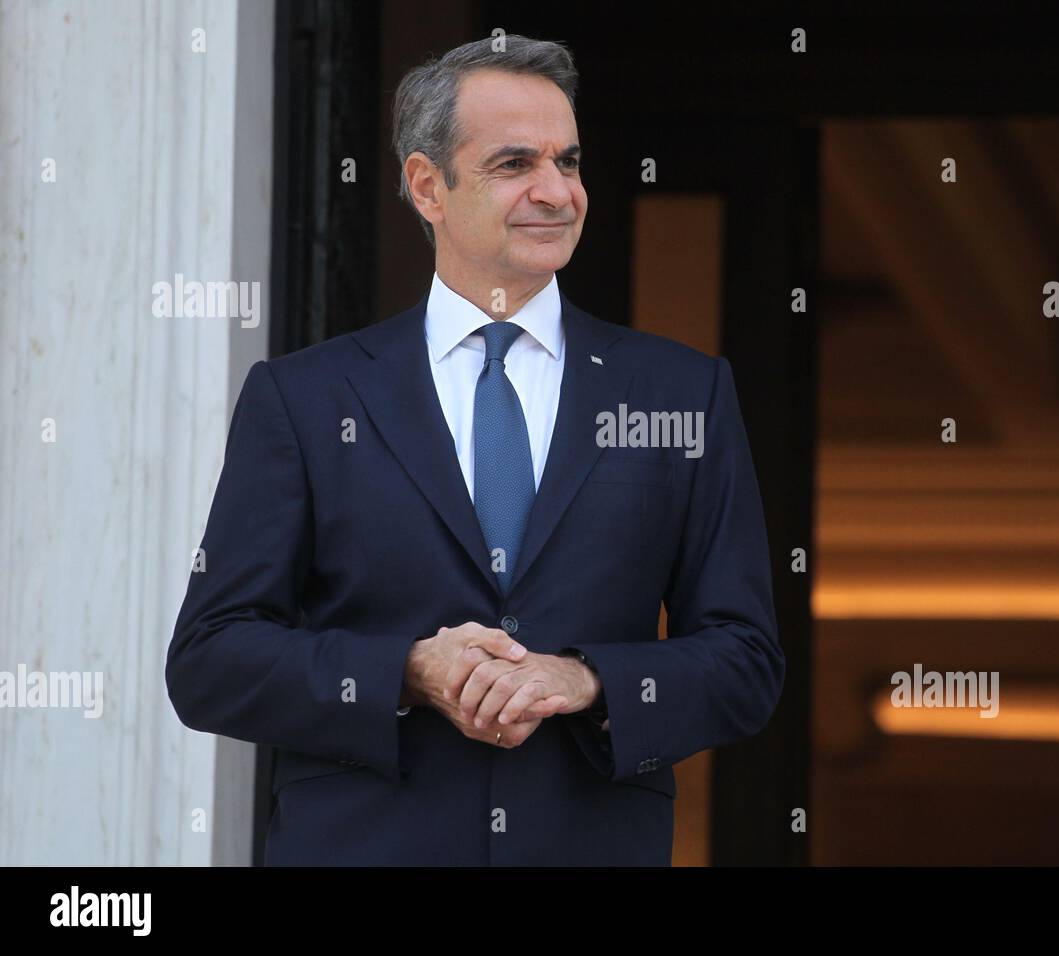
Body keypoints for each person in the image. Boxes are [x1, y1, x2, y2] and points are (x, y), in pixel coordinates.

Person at [166, 34, 784, 866]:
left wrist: (588, 680)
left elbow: (745, 661)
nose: (556, 191)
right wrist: (410, 671)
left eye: (568, 162)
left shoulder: (682, 394)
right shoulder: (308, 398)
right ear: (428, 186)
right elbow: (211, 659)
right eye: (515, 163)